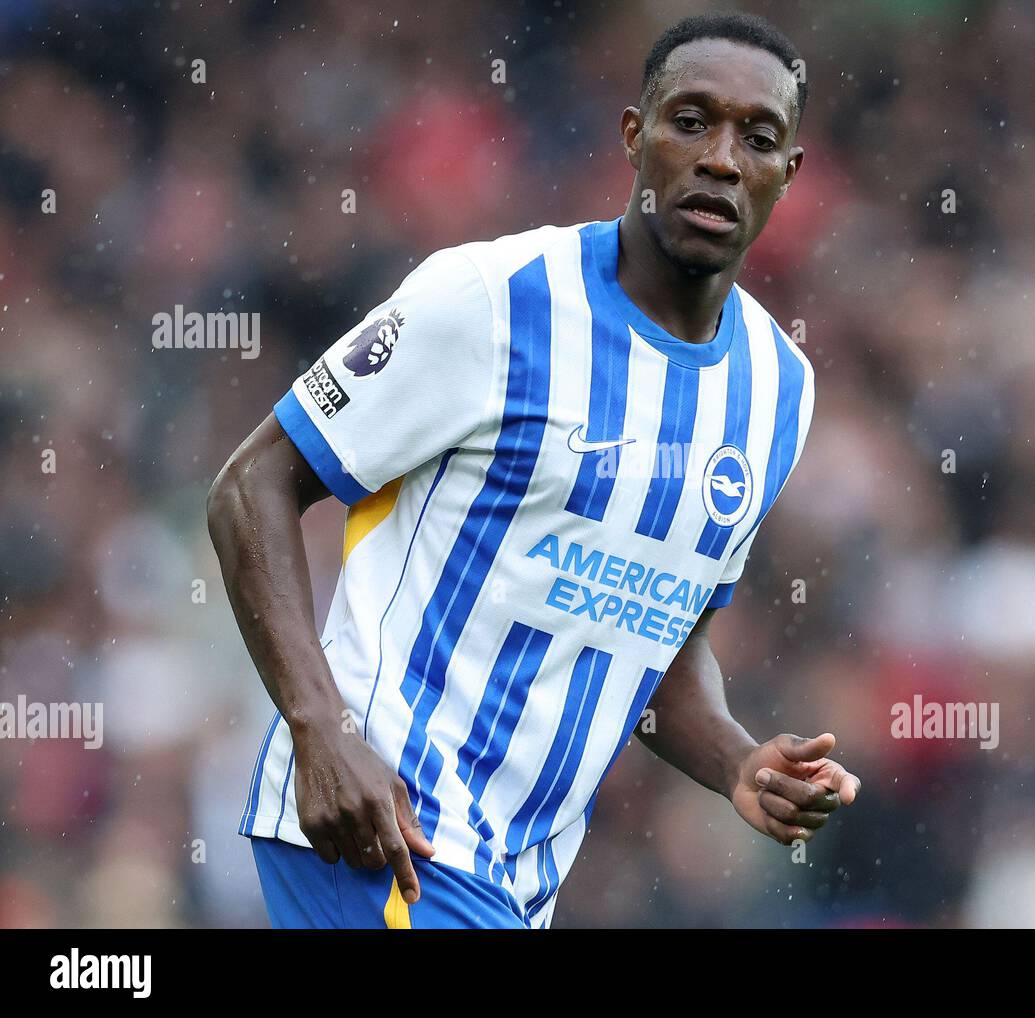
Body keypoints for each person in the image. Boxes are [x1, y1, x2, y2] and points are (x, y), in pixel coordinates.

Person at [208, 11, 859, 929]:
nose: (720, 158)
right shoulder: (494, 300)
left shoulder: (778, 393)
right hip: (386, 833)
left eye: (757, 138)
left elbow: (657, 639)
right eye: (690, 121)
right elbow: (251, 486)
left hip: (514, 889)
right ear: (635, 136)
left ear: (787, 176)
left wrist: (737, 762)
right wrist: (322, 733)